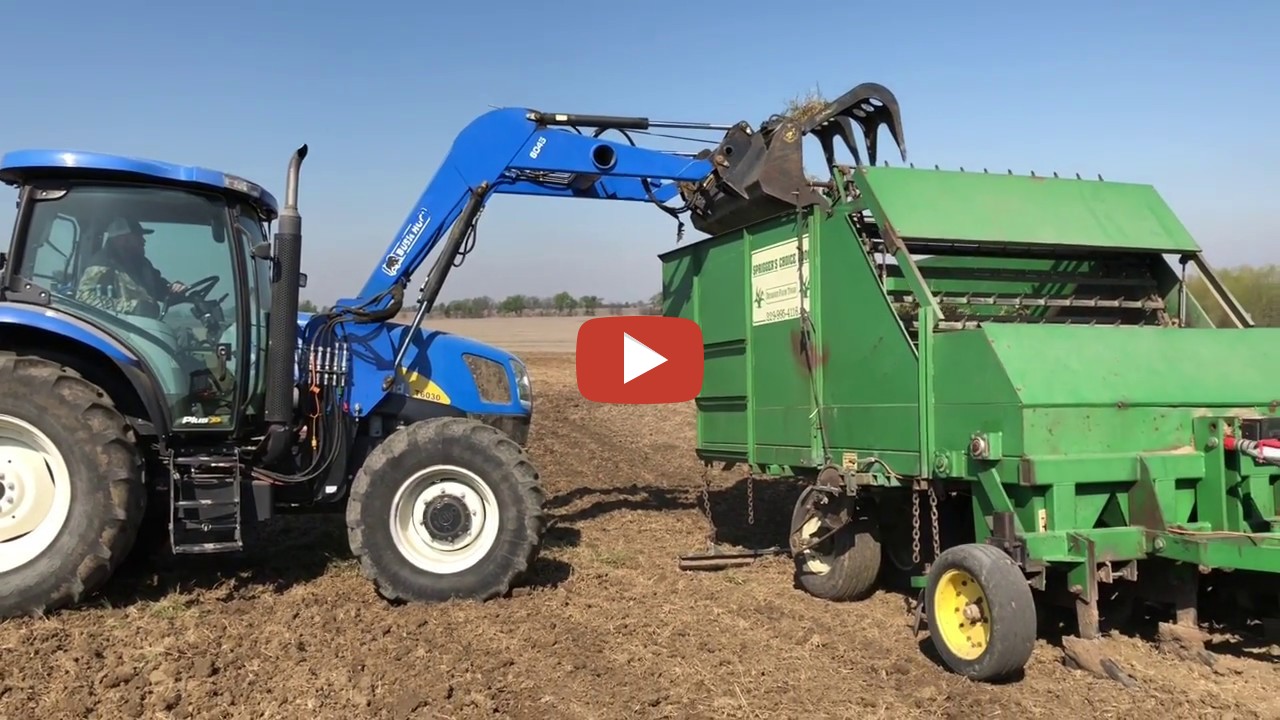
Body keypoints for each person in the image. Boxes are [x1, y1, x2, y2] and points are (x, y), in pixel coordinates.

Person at [77, 218, 187, 317]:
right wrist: (132, 307)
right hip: (117, 329)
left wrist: (174, 289)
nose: (144, 241)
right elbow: (83, 298)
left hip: (147, 326)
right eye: (138, 237)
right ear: (122, 240)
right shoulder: (102, 265)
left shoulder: (142, 264)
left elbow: (160, 288)